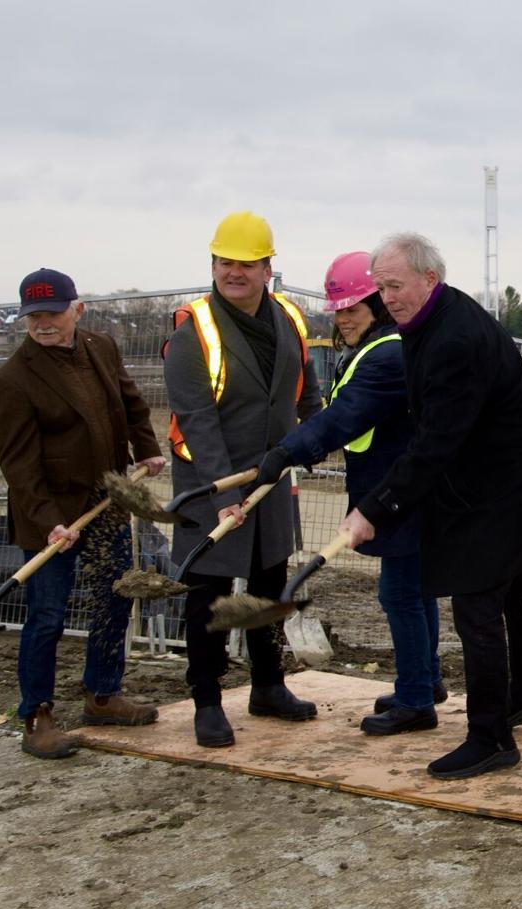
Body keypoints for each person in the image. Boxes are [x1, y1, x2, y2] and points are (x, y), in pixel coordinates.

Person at [340, 233, 522, 781]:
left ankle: (490, 738)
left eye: (395, 286)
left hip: (506, 487)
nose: (386, 297)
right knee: (514, 592)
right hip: (511, 479)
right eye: (381, 287)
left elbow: (436, 442)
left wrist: (375, 507)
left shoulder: (453, 340)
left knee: (477, 607)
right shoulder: (435, 318)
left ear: (428, 280)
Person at [253, 252, 442, 736]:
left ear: (378, 305)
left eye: (352, 309)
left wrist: (288, 450)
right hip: (401, 490)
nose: (343, 319)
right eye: (337, 311)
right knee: (414, 592)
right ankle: (424, 681)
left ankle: (417, 699)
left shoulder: (387, 355)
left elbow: (346, 416)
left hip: (399, 495)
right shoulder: (380, 347)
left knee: (399, 593)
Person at [0, 268, 166, 758]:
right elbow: (19, 467)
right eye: (34, 316)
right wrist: (49, 522)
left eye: (52, 313)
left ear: (77, 309)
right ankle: (36, 715)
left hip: (106, 501)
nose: (43, 324)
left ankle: (102, 694)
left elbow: (129, 402)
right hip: (50, 517)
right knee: (47, 613)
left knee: (115, 597)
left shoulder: (100, 347)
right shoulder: (11, 382)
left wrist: (146, 447)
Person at [163, 212, 323, 748]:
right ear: (213, 265)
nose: (235, 273)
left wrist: (318, 435)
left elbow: (305, 392)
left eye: (247, 264)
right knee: (207, 598)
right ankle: (206, 701)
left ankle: (267, 685)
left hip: (270, 480)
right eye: (226, 262)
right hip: (211, 485)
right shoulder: (195, 331)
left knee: (266, 587)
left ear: (267, 268)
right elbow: (197, 421)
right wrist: (226, 497)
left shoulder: (288, 320)